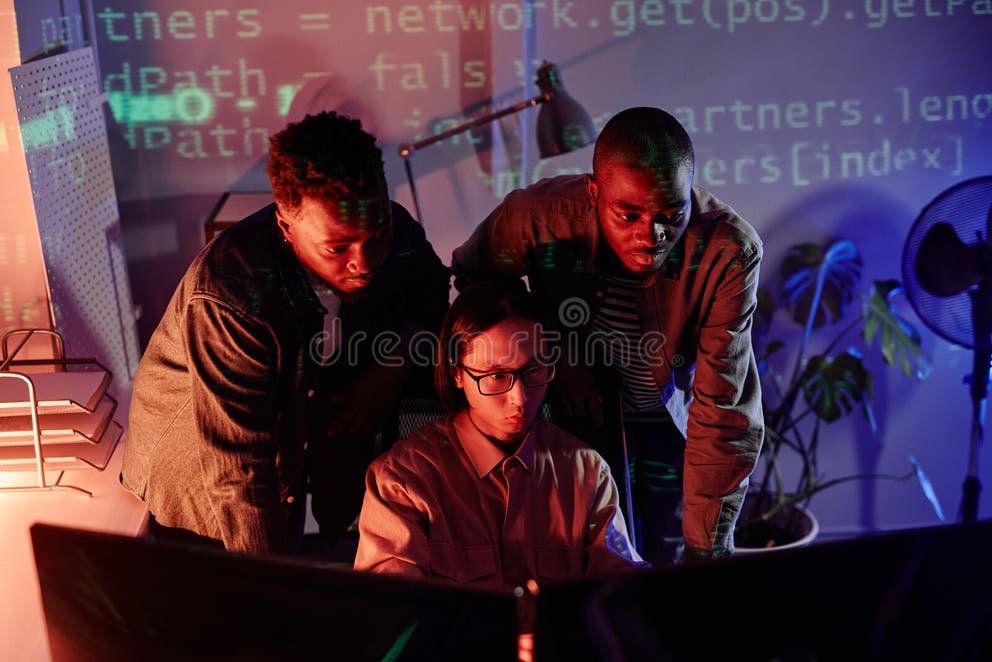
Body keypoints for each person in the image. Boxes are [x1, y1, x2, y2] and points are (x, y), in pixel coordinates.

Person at [121, 111, 451, 555]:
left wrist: (392, 366)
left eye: (377, 235)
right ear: (286, 228)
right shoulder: (232, 294)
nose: (365, 260)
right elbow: (239, 472)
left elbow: (432, 290)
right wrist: (272, 586)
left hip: (290, 440)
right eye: (337, 248)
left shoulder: (392, 227)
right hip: (197, 469)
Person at [450, 107, 763, 563]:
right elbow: (474, 277)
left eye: (671, 215)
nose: (651, 236)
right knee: (575, 556)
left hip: (670, 425)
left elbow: (723, 412)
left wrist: (706, 559)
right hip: (574, 421)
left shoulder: (728, 252)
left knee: (670, 560)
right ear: (594, 192)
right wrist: (556, 348)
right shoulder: (539, 216)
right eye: (628, 215)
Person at [354, 281, 645, 589]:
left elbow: (622, 589)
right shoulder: (403, 479)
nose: (520, 398)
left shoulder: (585, 472)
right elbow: (392, 606)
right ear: (456, 373)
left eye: (533, 370)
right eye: (496, 376)